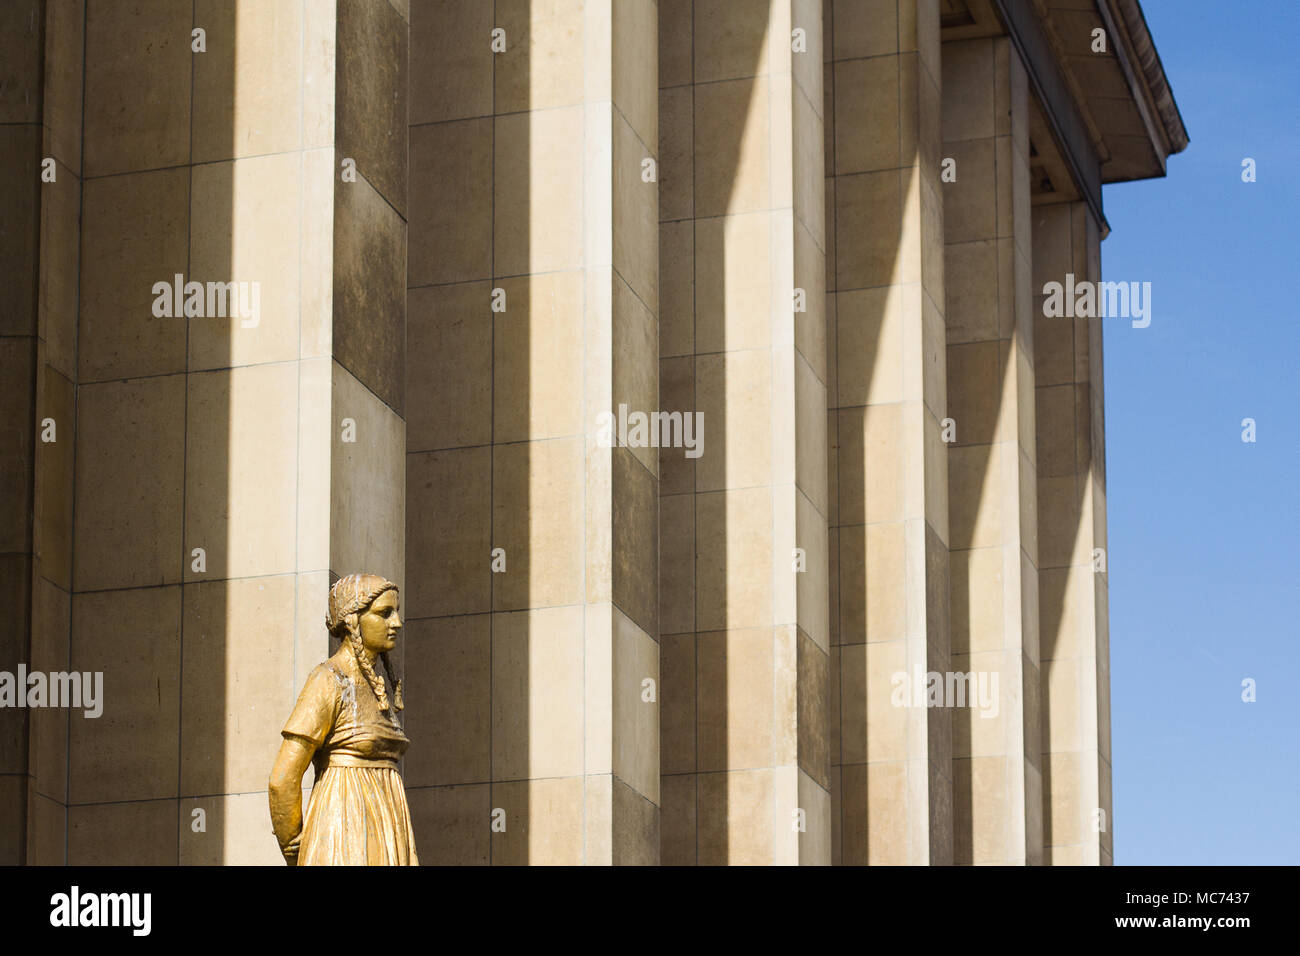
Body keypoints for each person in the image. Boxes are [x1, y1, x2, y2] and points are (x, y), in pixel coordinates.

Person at [268, 573, 418, 865]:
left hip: (389, 827)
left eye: (396, 612)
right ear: (353, 620)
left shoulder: (377, 684)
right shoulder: (328, 680)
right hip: (342, 827)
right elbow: (283, 778)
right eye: (385, 613)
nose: (396, 623)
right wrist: (298, 847)